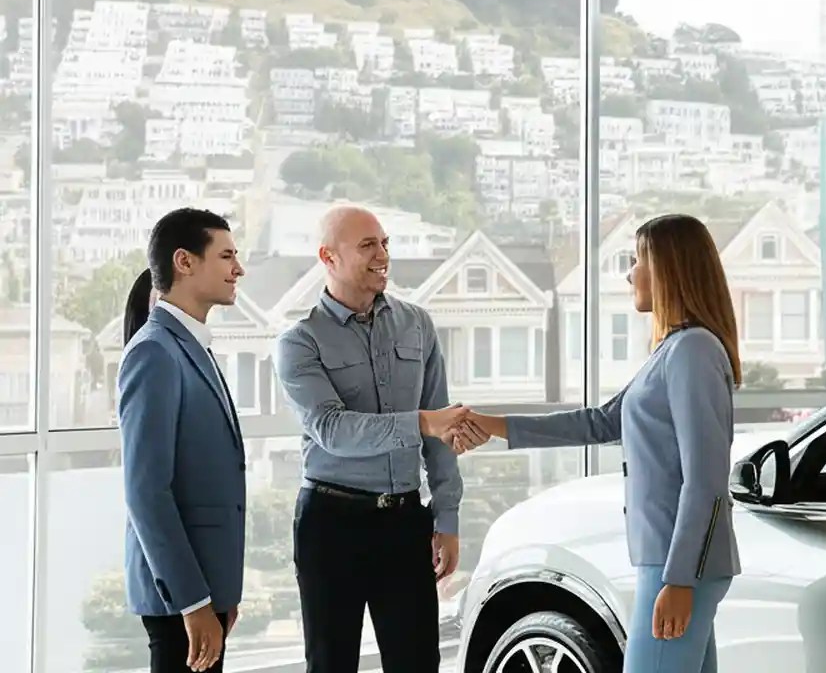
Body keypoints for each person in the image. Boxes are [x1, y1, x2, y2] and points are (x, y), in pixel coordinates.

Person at [456, 213, 742, 673]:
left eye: (638, 259)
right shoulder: (675, 349)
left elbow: (705, 479)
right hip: (673, 560)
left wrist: (679, 579)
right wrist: (494, 425)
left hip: (679, 562)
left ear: (670, 268)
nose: (630, 272)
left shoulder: (692, 352)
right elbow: (600, 422)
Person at [274, 205, 484, 673]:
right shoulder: (299, 342)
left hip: (405, 522)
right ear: (328, 256)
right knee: (332, 664)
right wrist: (423, 422)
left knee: (417, 663)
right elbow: (332, 430)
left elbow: (442, 431)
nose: (382, 255)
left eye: (385, 243)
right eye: (367, 245)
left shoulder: (417, 325)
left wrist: (446, 516)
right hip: (331, 525)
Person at [118, 208, 247, 673]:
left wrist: (221, 593)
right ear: (184, 262)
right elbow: (146, 492)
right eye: (227, 255)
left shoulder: (192, 345)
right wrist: (193, 602)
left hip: (207, 590)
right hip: (180, 597)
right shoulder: (155, 351)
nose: (239, 269)